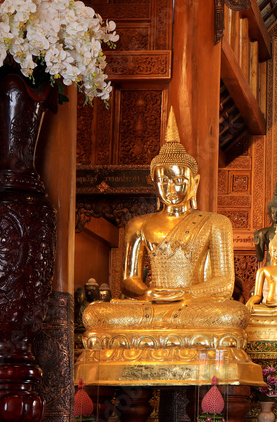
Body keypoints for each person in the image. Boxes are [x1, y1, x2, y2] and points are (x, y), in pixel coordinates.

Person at [82, 109, 249, 332]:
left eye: (179, 180)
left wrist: (186, 293)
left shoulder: (215, 222)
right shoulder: (138, 224)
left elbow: (225, 284)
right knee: (94, 314)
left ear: (194, 183)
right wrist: (146, 292)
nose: (171, 188)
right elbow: (129, 279)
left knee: (234, 314)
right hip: (152, 305)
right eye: (163, 181)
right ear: (153, 184)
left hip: (193, 306)